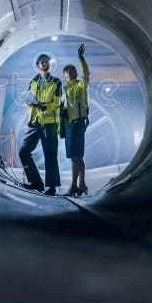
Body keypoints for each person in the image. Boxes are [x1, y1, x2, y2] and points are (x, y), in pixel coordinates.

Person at [18, 53, 62, 195]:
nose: (43, 63)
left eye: (45, 61)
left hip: (49, 123)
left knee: (50, 154)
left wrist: (43, 106)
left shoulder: (56, 82)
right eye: (41, 62)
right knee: (23, 152)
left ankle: (52, 187)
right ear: (37, 66)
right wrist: (29, 104)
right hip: (34, 122)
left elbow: (57, 102)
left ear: (49, 64)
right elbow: (26, 101)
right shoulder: (33, 82)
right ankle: (36, 183)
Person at [62, 43, 90, 196]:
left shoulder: (80, 84)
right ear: (64, 75)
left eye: (72, 70)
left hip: (78, 123)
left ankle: (74, 186)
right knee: (77, 155)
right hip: (69, 125)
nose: (70, 72)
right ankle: (82, 185)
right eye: (67, 70)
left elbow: (86, 75)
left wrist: (81, 58)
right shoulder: (64, 89)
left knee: (75, 156)